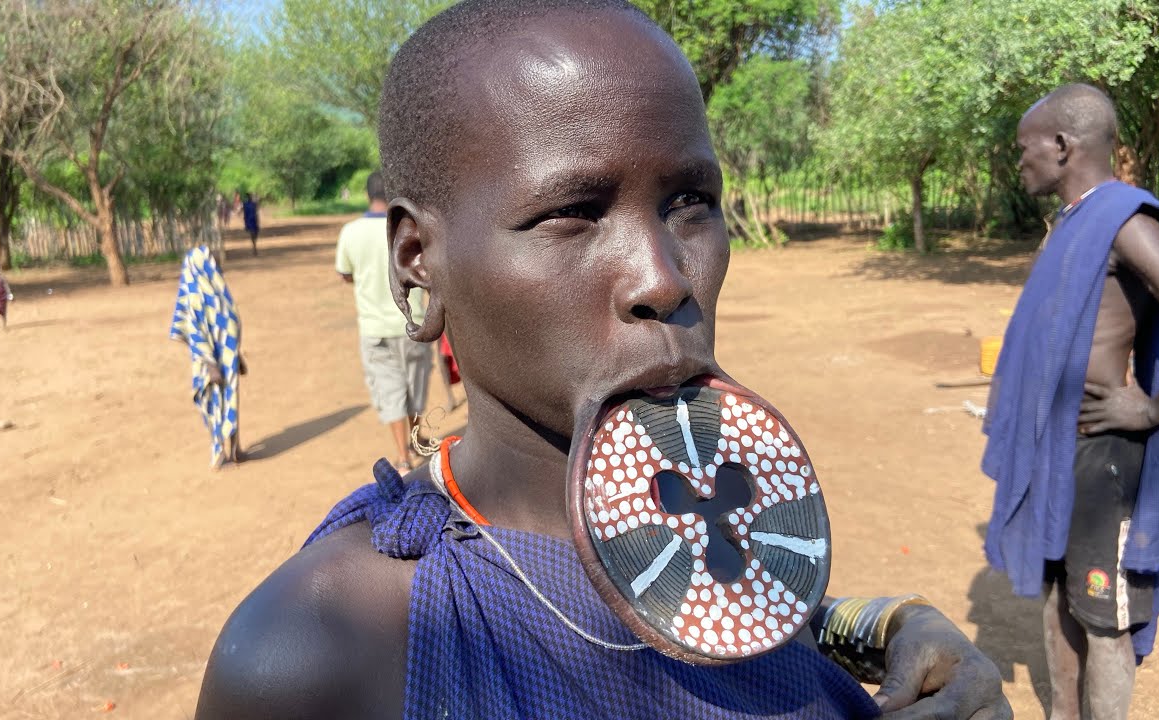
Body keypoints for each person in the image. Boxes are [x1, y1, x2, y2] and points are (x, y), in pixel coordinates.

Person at [195, 3, 1009, 719]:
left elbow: (747, 623)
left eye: (689, 201)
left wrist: (888, 631)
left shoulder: (714, 516)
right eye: (573, 213)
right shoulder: (317, 652)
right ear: (417, 257)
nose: (661, 276)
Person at [982, 84, 1159, 720]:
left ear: (1062, 146)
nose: (1020, 161)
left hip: (1104, 460)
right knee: (1059, 607)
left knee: (1104, 623)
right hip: (1058, 456)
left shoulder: (1125, 220)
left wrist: (1153, 410)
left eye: (1026, 149)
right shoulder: (1074, 223)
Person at [336, 171, 433, 472]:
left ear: (367, 195)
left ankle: (403, 456)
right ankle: (418, 438)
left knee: (391, 390)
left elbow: (344, 272)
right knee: (415, 385)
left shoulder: (350, 232)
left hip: (375, 328)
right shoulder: (410, 229)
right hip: (412, 322)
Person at [170, 245, 247, 469]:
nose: (218, 265)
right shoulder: (195, 297)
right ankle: (218, 452)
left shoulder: (217, 290)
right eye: (213, 262)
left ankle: (236, 448)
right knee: (215, 404)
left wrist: (237, 356)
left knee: (232, 401)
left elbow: (228, 325)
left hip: (228, 359)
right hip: (209, 363)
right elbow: (194, 333)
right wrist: (210, 364)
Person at [241, 192, 260, 256]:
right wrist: (245, 223)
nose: (250, 198)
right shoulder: (245, 204)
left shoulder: (254, 204)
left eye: (250, 196)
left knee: (256, 234)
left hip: (254, 220)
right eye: (249, 196)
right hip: (249, 221)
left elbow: (256, 213)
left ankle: (254, 244)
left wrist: (257, 221)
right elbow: (245, 214)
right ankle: (254, 247)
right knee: (252, 233)